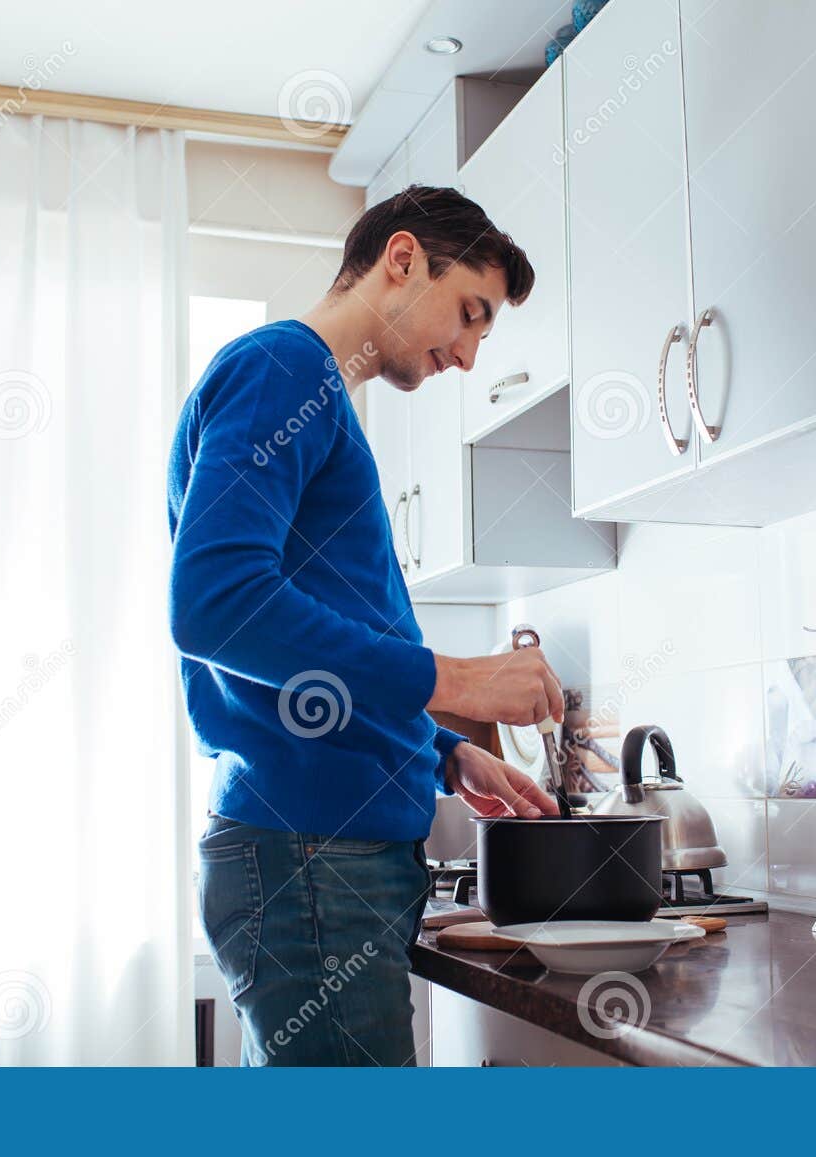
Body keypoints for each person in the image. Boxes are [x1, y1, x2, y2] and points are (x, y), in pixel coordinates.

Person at [168, 185, 562, 1066]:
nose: (465, 353)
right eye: (469, 313)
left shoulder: (314, 400)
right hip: (312, 857)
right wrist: (455, 679)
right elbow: (214, 602)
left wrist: (438, 749)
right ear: (402, 257)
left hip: (320, 854)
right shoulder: (283, 371)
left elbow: (316, 647)